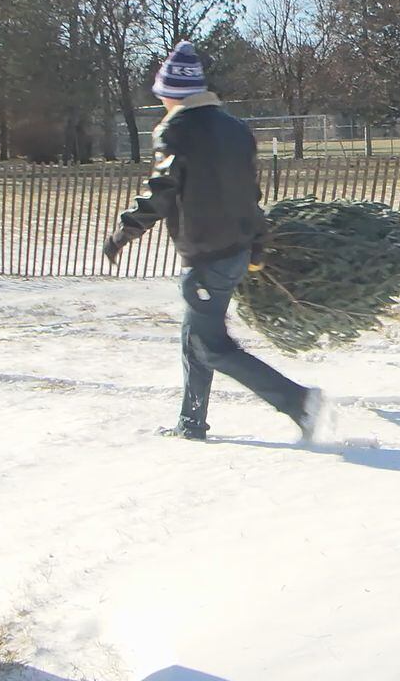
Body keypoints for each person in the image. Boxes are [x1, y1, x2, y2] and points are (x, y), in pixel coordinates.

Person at [102, 41, 325, 442]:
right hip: (236, 249)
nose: (161, 102)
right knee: (195, 339)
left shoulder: (175, 131)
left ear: (172, 93)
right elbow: (250, 192)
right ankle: (191, 423)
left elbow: (161, 193)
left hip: (208, 255)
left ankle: (299, 401)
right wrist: (257, 243)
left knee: (211, 346)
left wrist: (123, 233)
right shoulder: (235, 129)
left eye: (162, 94)